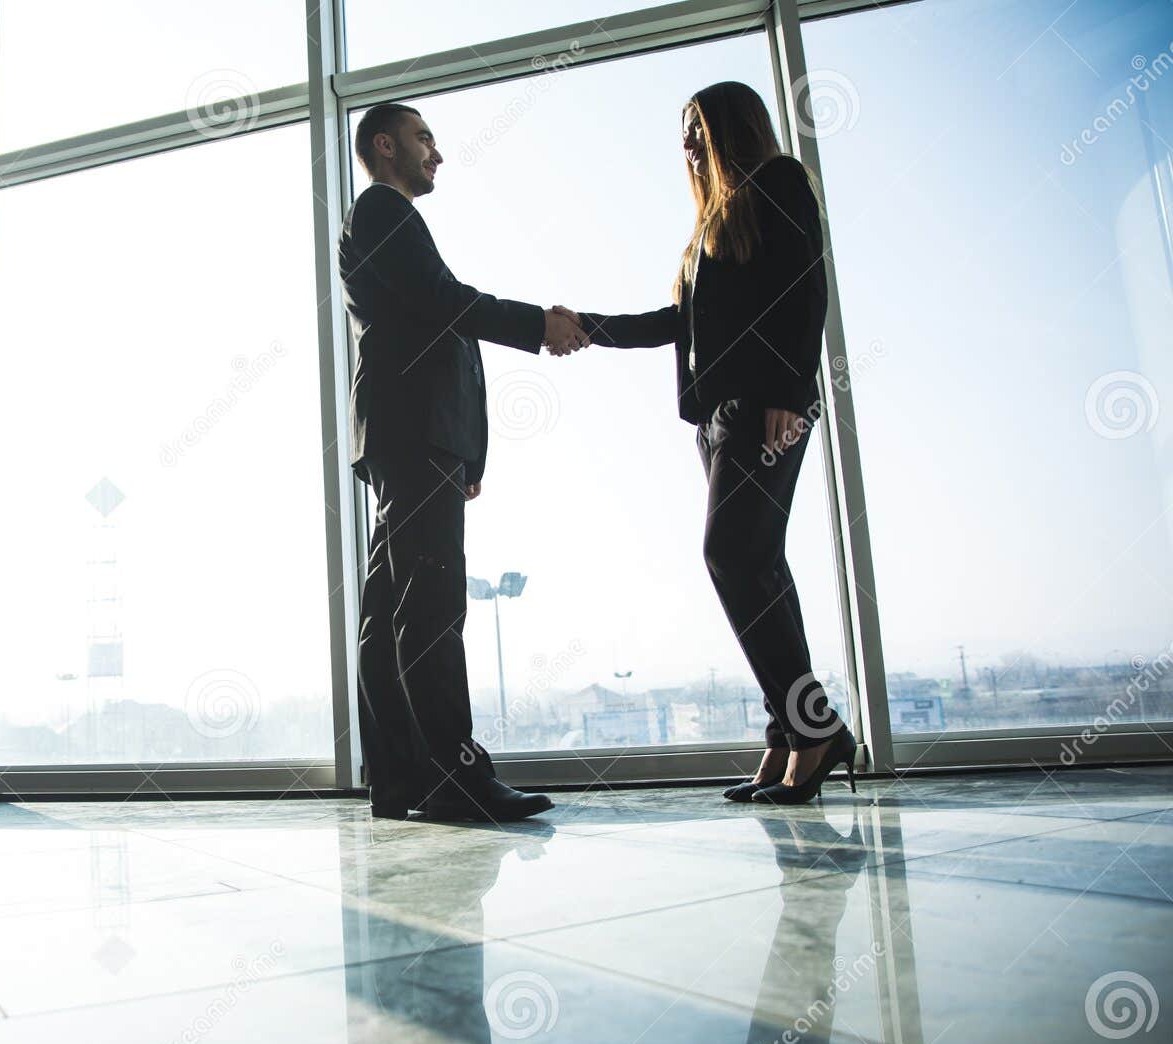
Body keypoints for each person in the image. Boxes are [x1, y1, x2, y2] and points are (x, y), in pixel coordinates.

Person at [556, 81, 856, 805]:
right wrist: (586, 326)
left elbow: (805, 287)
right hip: (717, 420)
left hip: (766, 408)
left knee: (729, 552)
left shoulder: (780, 181)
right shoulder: (706, 232)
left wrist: (789, 390)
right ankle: (792, 733)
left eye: (696, 128)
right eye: (683, 132)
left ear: (731, 127)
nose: (687, 144)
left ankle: (814, 731)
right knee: (759, 565)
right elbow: (674, 324)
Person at [340, 102, 586, 821]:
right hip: (415, 434)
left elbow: (429, 319)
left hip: (417, 436)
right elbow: (445, 305)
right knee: (433, 606)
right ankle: (456, 776)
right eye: (424, 140)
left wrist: (465, 450)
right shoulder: (383, 212)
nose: (437, 154)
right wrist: (535, 324)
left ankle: (405, 780)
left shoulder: (387, 220)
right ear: (385, 146)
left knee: (392, 612)